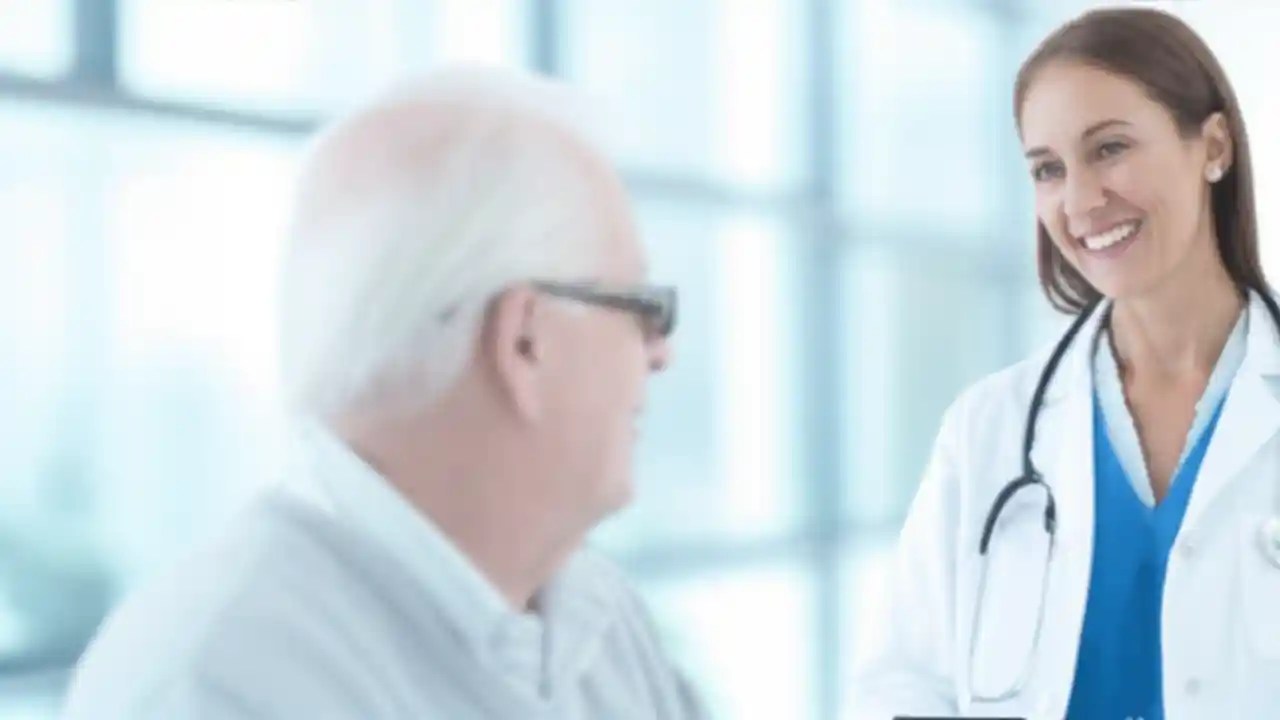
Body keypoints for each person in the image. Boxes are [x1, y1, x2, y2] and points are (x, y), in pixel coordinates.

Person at [61, 68, 705, 719]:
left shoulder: (595, 614)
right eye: (641, 306)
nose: (660, 352)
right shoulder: (213, 682)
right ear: (523, 342)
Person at [849, 8, 1280, 719]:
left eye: (1110, 149)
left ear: (1214, 146)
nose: (1078, 200)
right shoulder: (988, 429)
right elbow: (905, 685)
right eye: (1048, 169)